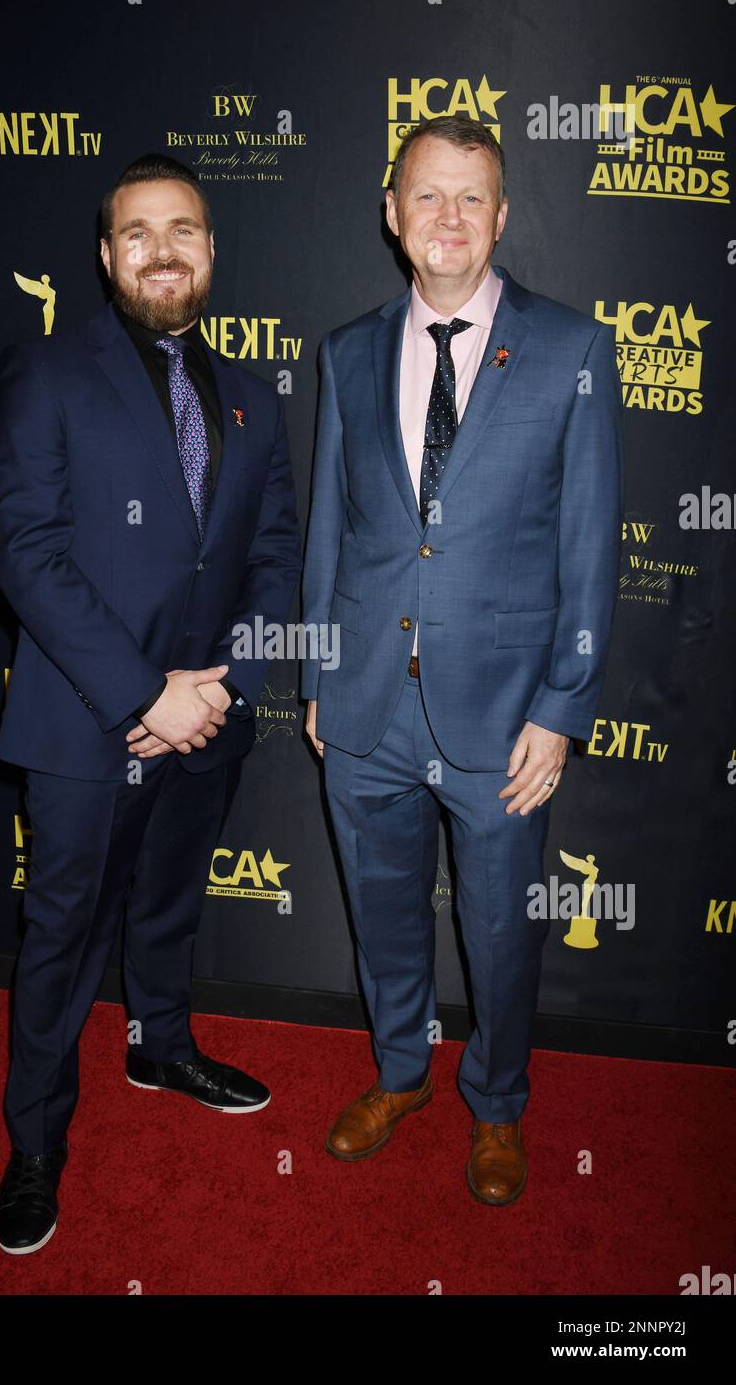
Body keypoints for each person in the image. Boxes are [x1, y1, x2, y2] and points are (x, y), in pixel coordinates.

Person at [0, 153, 302, 1253]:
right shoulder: (46, 370)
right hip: (87, 721)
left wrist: (229, 690)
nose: (165, 250)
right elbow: (26, 552)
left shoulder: (256, 398)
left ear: (211, 248)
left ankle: (161, 1042)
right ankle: (33, 1141)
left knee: (169, 905)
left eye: (186, 229)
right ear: (108, 255)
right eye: (140, 233)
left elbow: (274, 554)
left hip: (208, 719)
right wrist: (143, 693)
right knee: (61, 935)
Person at [300, 116, 623, 1205]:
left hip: (504, 716)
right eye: (425, 196)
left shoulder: (574, 349)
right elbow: (328, 536)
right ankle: (401, 1073)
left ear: (502, 215)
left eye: (470, 197)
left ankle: (496, 1103)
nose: (448, 218)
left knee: (498, 931)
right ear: (391, 216)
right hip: (364, 704)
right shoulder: (343, 352)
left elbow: (589, 543)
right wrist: (316, 676)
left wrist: (564, 705)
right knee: (381, 909)